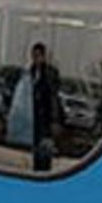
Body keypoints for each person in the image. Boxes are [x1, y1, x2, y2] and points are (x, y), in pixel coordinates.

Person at [28, 42, 63, 171]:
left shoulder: (50, 72)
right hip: (34, 116)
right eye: (33, 55)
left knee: (45, 146)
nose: (35, 58)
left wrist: (55, 120)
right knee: (36, 146)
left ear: (43, 56)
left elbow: (54, 96)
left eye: (37, 55)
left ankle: (44, 168)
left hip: (46, 117)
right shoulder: (30, 70)